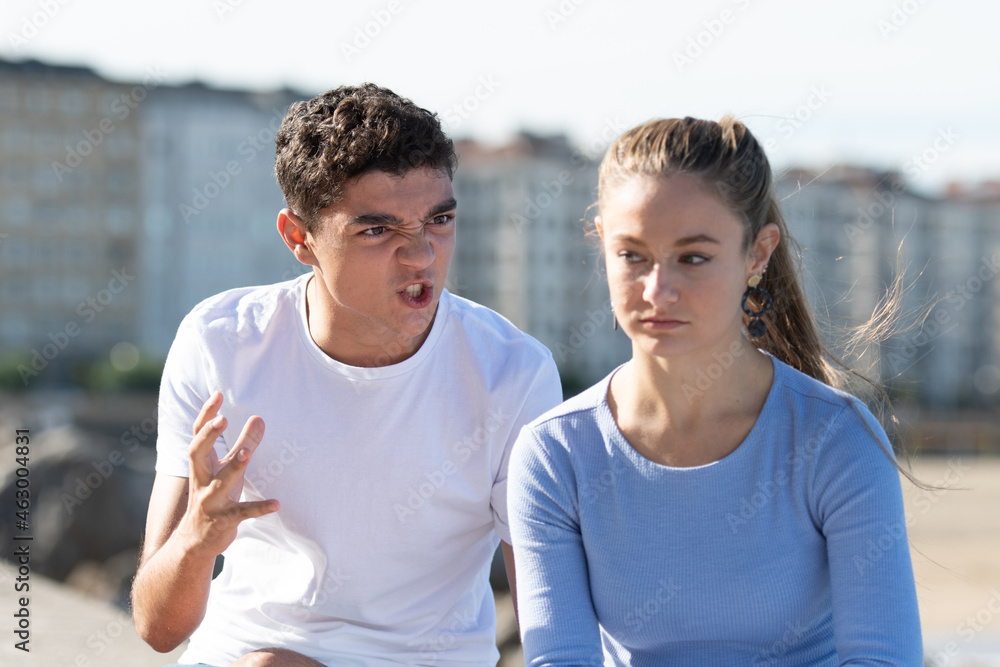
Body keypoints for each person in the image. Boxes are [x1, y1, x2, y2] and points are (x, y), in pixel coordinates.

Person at [131, 83, 563, 667]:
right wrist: (196, 540)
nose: (422, 257)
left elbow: (547, 618)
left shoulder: (512, 372)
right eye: (378, 230)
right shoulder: (220, 344)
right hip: (247, 654)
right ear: (298, 238)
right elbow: (157, 628)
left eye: (439, 220)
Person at [508, 117, 923, 665]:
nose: (658, 290)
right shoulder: (554, 454)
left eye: (693, 257)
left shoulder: (837, 441)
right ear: (602, 243)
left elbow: (882, 658)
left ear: (758, 253)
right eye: (633, 255)